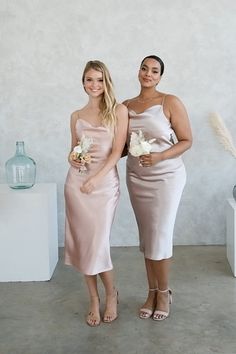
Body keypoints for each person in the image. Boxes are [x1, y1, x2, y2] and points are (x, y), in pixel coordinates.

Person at [123, 55, 192, 321]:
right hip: (137, 178)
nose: (148, 74)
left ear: (160, 76)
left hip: (167, 177)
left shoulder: (169, 102)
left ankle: (164, 292)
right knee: (148, 237)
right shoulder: (125, 106)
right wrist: (91, 157)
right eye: (144, 68)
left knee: (160, 235)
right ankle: (151, 291)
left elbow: (187, 140)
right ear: (138, 71)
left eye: (154, 70)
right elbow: (120, 146)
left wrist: (161, 156)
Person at [64, 60, 128, 327]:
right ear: (83, 82)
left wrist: (96, 179)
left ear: (107, 82)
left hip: (103, 186)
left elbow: (117, 152)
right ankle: (93, 299)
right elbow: (72, 151)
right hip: (76, 186)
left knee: (97, 244)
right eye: (89, 80)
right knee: (82, 246)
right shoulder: (76, 116)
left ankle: (111, 294)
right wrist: (73, 159)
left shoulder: (119, 110)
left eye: (99, 80)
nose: (94, 85)